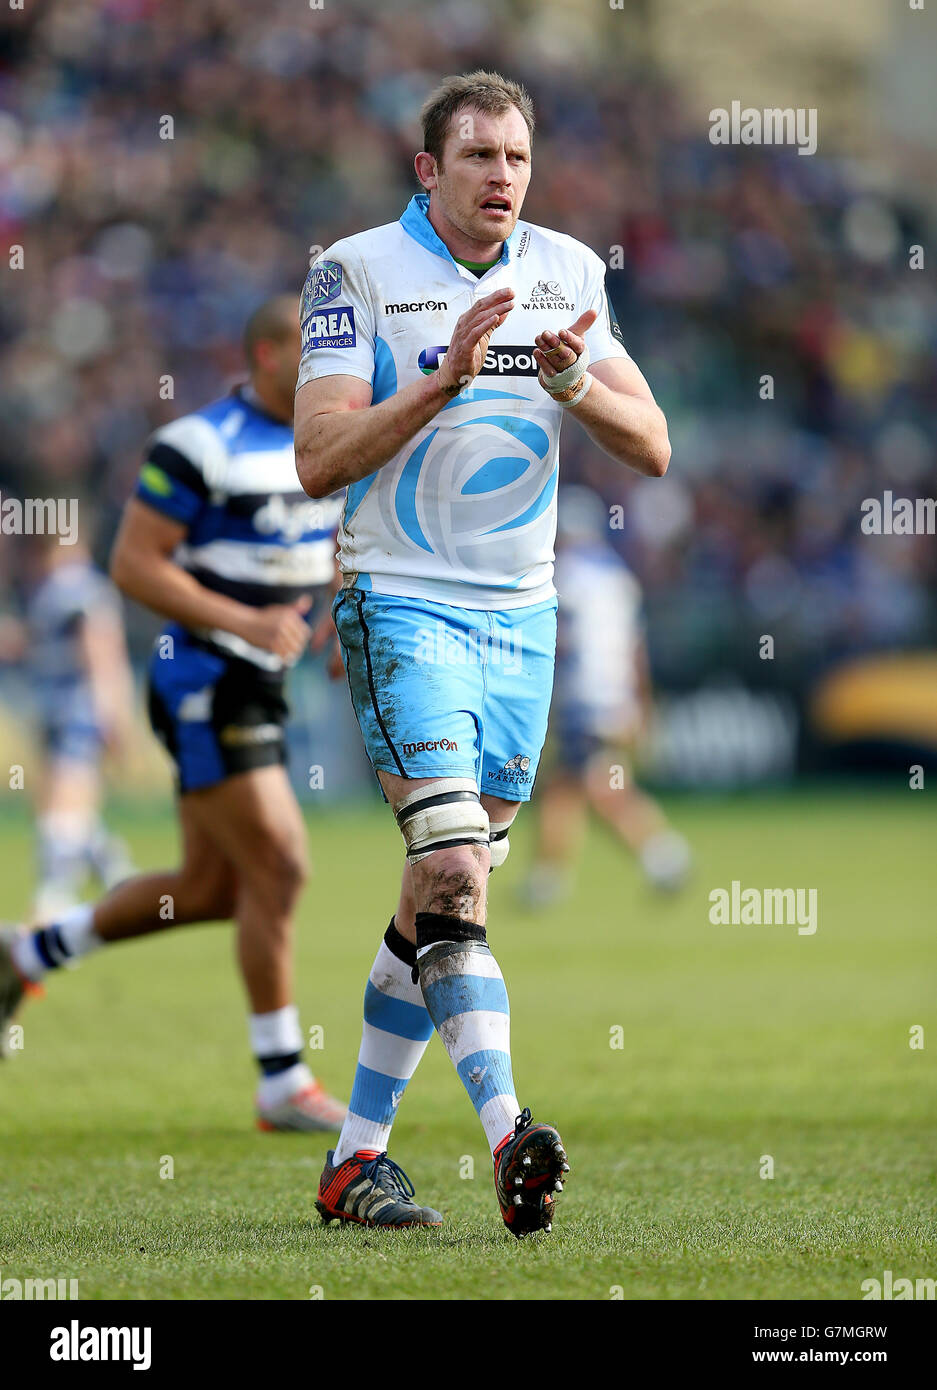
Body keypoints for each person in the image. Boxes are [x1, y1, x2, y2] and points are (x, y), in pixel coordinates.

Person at [293, 71, 671, 1234]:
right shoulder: (353, 272)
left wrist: (571, 384)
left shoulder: (566, 272)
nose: (502, 177)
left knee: (438, 896)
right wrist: (445, 379)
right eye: (478, 158)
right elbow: (318, 456)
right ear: (428, 170)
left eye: (515, 157)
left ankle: (355, 1159)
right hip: (400, 600)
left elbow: (650, 443)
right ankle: (510, 1131)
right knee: (456, 872)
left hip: (523, 618)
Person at [0, 296, 347, 1133]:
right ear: (266, 356)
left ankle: (25, 952)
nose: (331, 370)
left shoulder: (331, 440)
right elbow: (134, 566)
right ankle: (281, 1080)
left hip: (260, 679)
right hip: (202, 678)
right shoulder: (198, 446)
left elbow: (325, 542)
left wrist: (340, 611)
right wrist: (244, 621)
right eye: (312, 353)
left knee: (208, 889)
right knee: (282, 862)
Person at [520, 485, 691, 907]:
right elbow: (636, 650)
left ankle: (663, 856)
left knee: (595, 785)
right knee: (570, 786)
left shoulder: (564, 575)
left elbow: (559, 640)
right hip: (615, 696)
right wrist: (641, 702)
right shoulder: (619, 577)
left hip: (584, 697)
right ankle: (549, 877)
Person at [18, 534, 135, 920]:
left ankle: (55, 897)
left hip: (79, 711)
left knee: (64, 807)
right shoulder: (54, 588)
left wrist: (110, 715)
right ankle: (118, 876)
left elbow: (100, 652)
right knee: (66, 806)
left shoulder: (77, 589)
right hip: (55, 709)